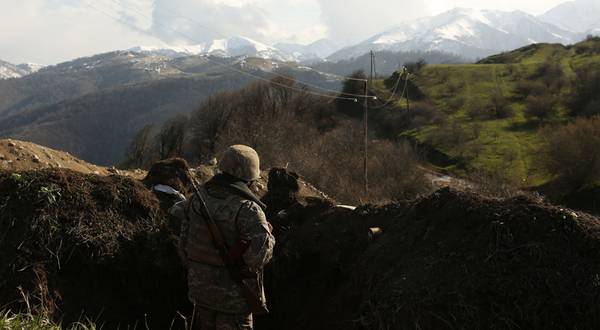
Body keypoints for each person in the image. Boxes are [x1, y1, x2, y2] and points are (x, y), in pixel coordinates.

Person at [171, 145, 275, 330]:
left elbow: (184, 245)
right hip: (232, 301)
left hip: (200, 293)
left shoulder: (197, 200)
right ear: (250, 176)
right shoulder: (248, 209)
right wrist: (269, 234)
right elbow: (257, 257)